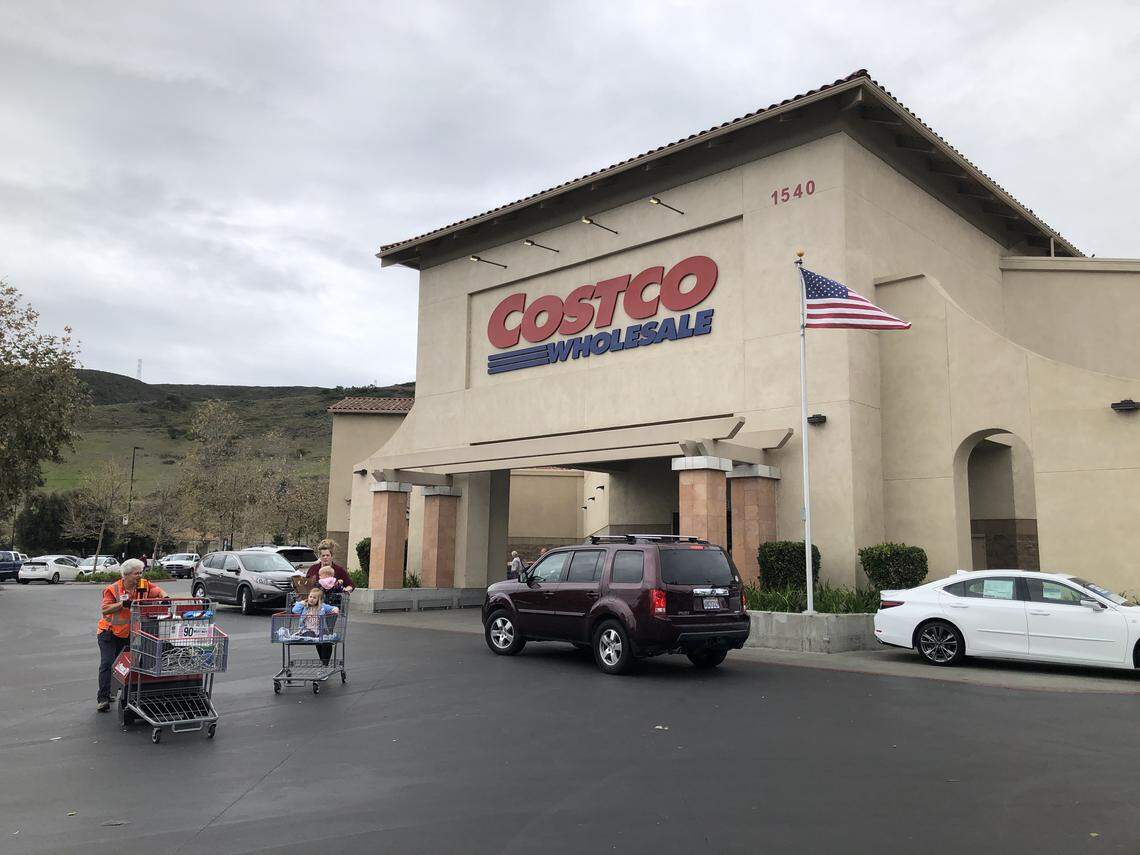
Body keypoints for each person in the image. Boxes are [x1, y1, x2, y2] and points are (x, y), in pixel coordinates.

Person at [96, 559, 169, 712]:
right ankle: (103, 699)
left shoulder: (143, 585)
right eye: (136, 573)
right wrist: (122, 604)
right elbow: (105, 609)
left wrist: (165, 598)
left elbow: (158, 591)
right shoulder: (113, 588)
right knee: (108, 663)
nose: (140, 576)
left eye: (141, 572)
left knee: (124, 665)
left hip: (129, 633)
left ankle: (116, 693)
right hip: (109, 632)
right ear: (126, 575)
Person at [291, 587, 340, 667]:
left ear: (319, 599)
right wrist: (301, 603)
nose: (311, 599)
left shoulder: (322, 607)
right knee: (313, 636)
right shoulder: (305, 607)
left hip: (320, 629)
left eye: (314, 598)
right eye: (310, 597)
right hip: (307, 629)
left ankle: (324, 663)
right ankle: (323, 663)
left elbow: (332, 608)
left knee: (326, 641)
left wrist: (335, 609)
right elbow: (294, 610)